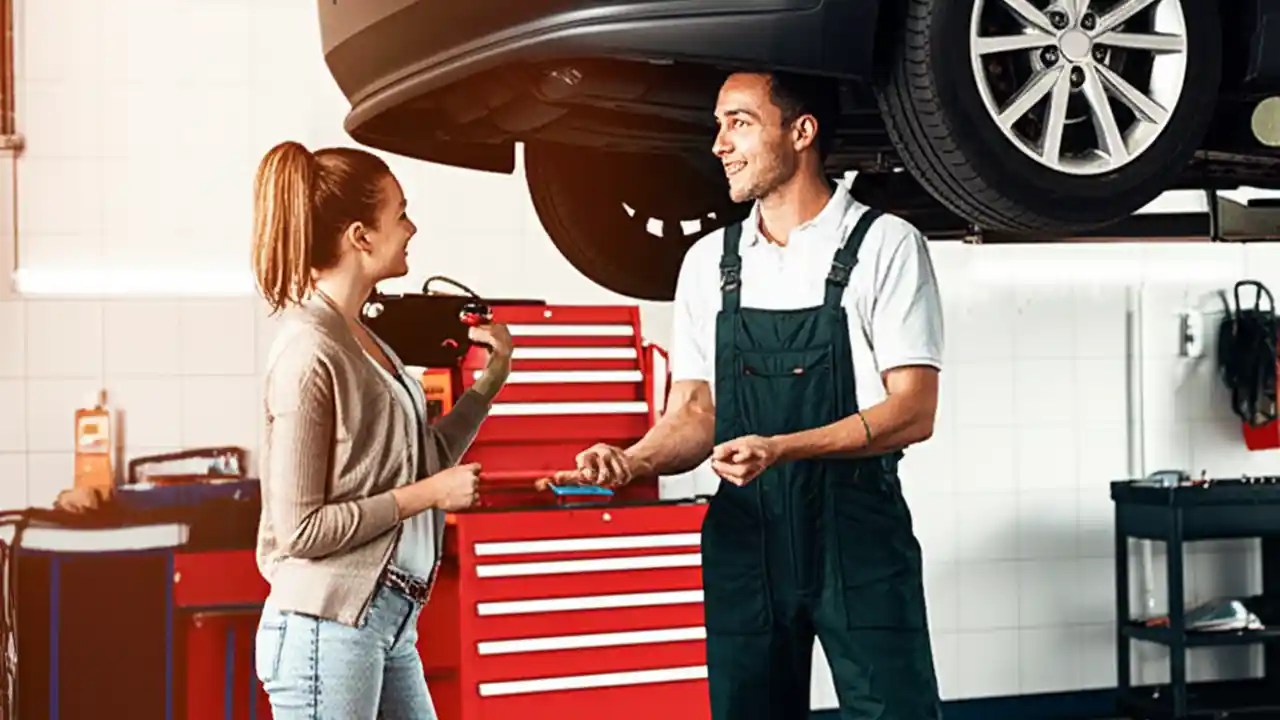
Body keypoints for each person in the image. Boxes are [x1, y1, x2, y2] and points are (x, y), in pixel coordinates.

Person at [549, 71, 945, 719]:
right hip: (748, 539)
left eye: (739, 122)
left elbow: (912, 410)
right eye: (718, 125)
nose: (718, 144)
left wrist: (782, 447)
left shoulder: (884, 245)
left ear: (802, 131)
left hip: (856, 536)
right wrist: (635, 459)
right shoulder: (710, 261)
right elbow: (695, 412)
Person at [249, 140, 513, 719]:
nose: (412, 227)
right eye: (400, 213)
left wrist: (488, 383)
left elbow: (423, 459)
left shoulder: (367, 342)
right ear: (360, 236)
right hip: (328, 626)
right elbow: (301, 531)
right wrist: (430, 496)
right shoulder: (309, 351)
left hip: (386, 623)